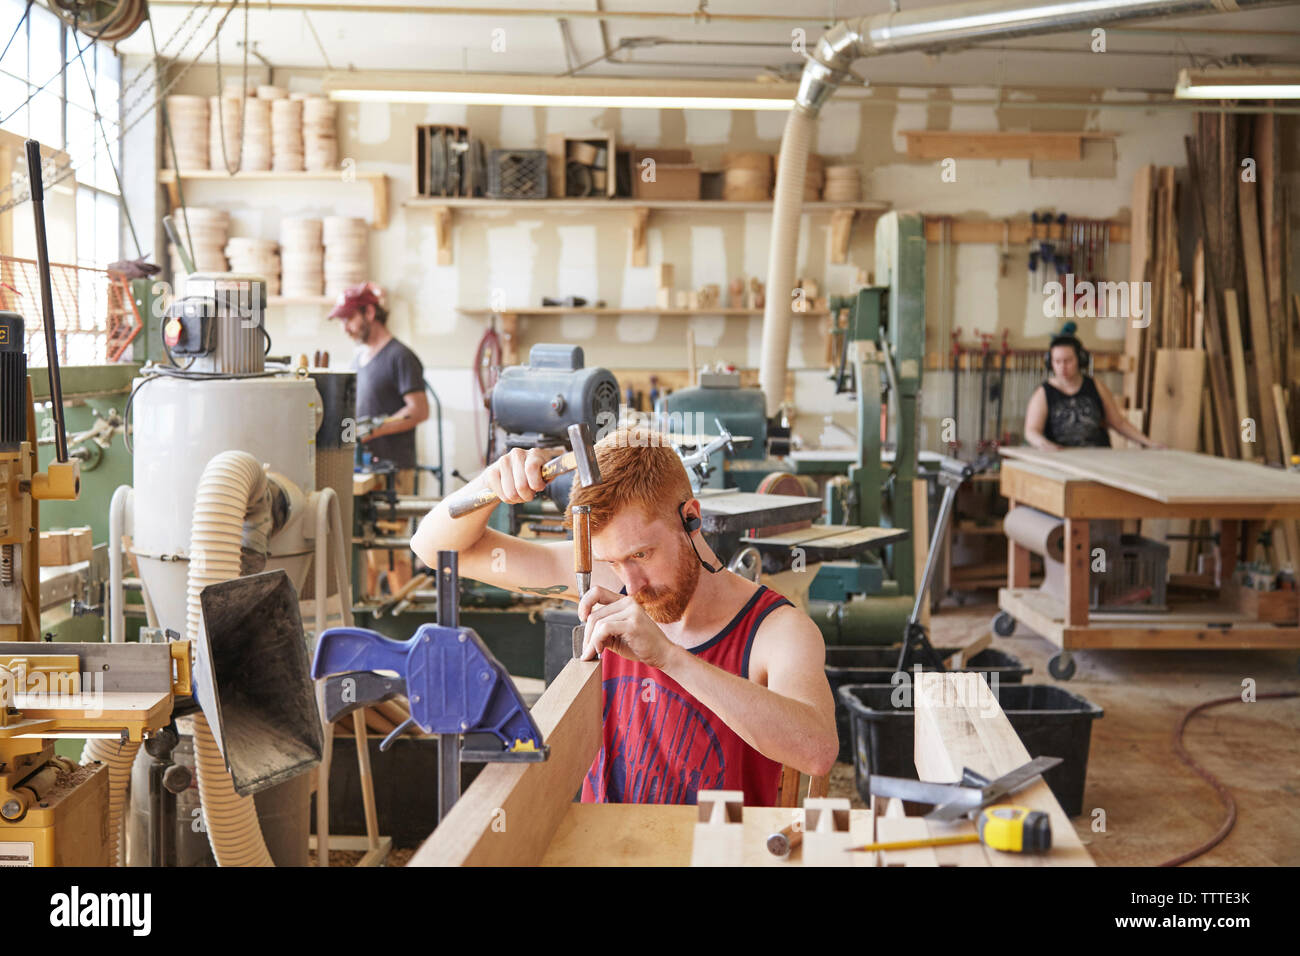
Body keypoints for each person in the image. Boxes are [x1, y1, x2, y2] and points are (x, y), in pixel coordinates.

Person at [412, 426, 838, 805]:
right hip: (609, 850)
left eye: (641, 554)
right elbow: (433, 550)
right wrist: (491, 485)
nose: (631, 586)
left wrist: (669, 658)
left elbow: (817, 751)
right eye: (612, 561)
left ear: (691, 517)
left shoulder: (775, 630)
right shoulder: (603, 580)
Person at [331, 282, 429, 596]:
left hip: (392, 470)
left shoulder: (400, 356)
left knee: (392, 552)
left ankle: (403, 620)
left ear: (370, 312)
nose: (345, 327)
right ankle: (368, 621)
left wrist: (374, 429)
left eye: (350, 318)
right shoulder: (359, 359)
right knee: (366, 553)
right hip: (365, 470)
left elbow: (418, 410)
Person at [1024, 329, 1161, 450]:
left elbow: (1119, 423)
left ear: (1080, 359)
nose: (1062, 366)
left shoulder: (1095, 386)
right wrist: (1044, 444)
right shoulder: (1043, 393)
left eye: (1068, 361)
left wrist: (1149, 443)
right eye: (1057, 361)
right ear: (1050, 362)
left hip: (1098, 456)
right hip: (1062, 457)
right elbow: (1031, 431)